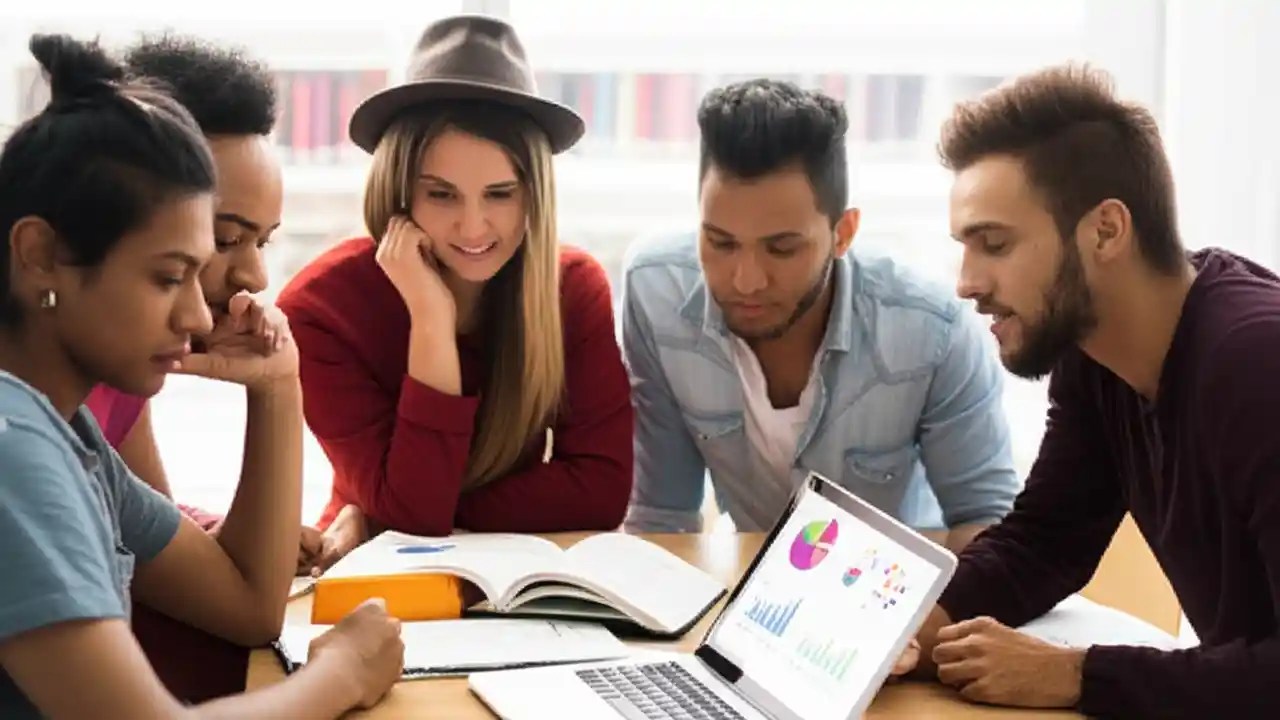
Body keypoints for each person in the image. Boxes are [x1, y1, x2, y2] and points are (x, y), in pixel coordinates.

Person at [0, 34, 403, 718]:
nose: (195, 310)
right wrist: (341, 673)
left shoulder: (75, 438)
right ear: (41, 255)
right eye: (169, 275)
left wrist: (278, 381)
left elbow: (247, 608)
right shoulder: (13, 445)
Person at [890, 64, 1280, 718]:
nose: (966, 281)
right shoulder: (1097, 354)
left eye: (995, 243)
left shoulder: (1257, 365)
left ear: (1105, 230)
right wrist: (901, 632)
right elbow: (1043, 544)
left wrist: (1078, 675)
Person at [277, 14, 633, 564]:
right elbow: (415, 523)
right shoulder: (320, 310)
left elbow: (601, 492)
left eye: (499, 194)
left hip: (498, 568)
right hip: (367, 571)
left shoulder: (572, 289)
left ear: (533, 195)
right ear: (399, 190)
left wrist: (382, 512)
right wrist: (430, 319)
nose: (473, 228)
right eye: (442, 195)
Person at [620, 78, 1018, 551]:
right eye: (721, 242)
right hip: (746, 594)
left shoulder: (931, 330)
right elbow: (662, 514)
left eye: (782, 248)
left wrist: (933, 621)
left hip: (891, 598)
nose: (746, 279)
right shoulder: (654, 290)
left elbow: (985, 517)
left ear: (843, 233)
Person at [95, 33, 327, 702]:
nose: (253, 273)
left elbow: (153, 540)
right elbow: (242, 605)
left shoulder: (111, 385)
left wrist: (279, 381)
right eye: (224, 238)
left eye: (262, 241)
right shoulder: (39, 410)